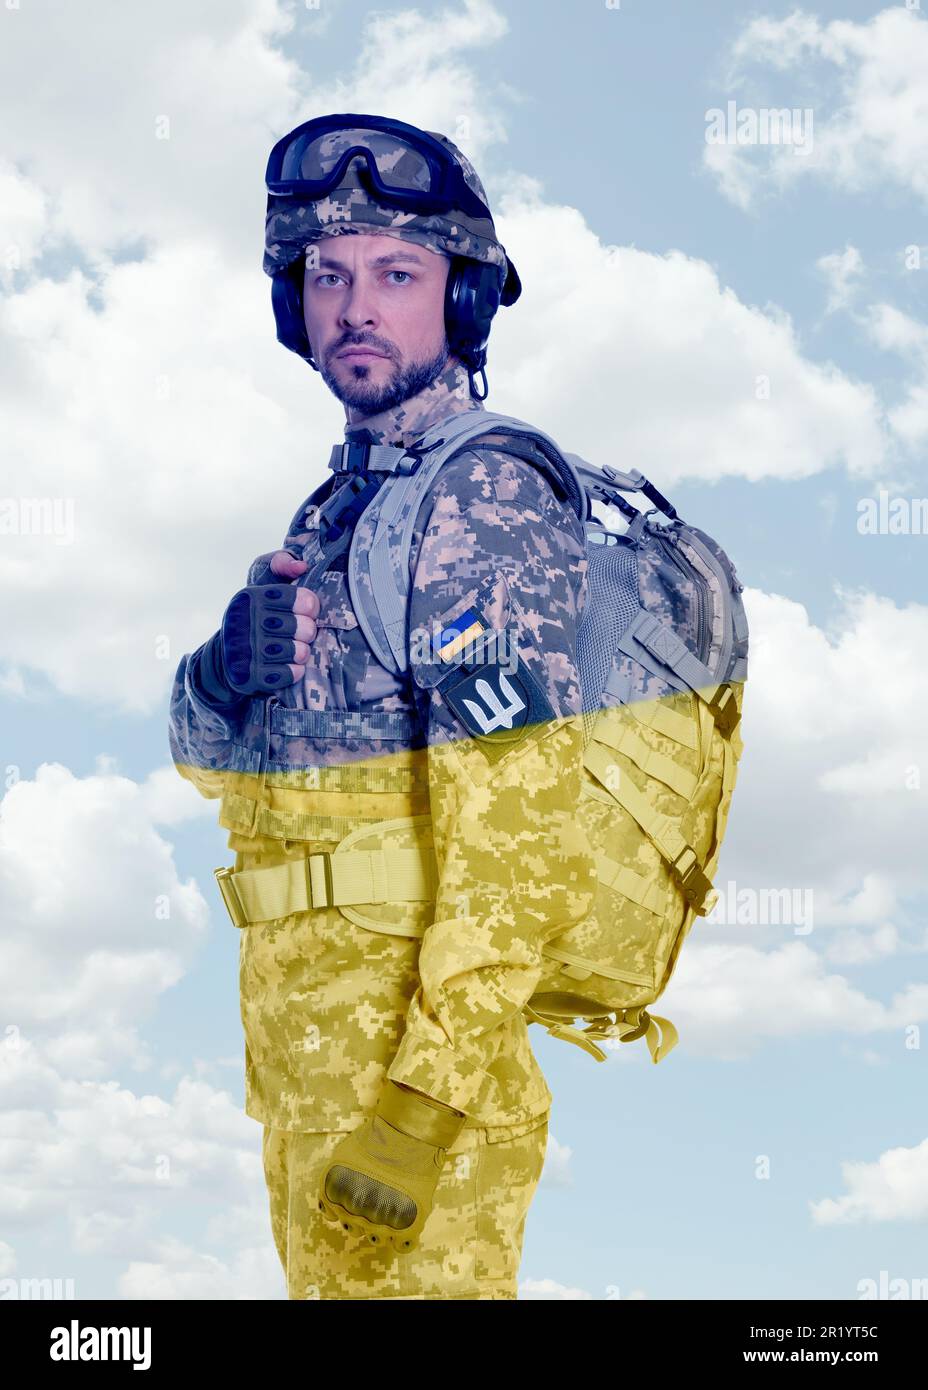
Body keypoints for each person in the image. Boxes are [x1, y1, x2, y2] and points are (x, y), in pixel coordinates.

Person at [168, 116, 598, 1300]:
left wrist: (425, 1107)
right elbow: (215, 767)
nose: (354, 305)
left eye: (396, 275)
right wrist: (225, 670)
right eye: (327, 276)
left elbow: (520, 827)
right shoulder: (338, 512)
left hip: (410, 1093)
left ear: (460, 302)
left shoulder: (484, 497)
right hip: (311, 1065)